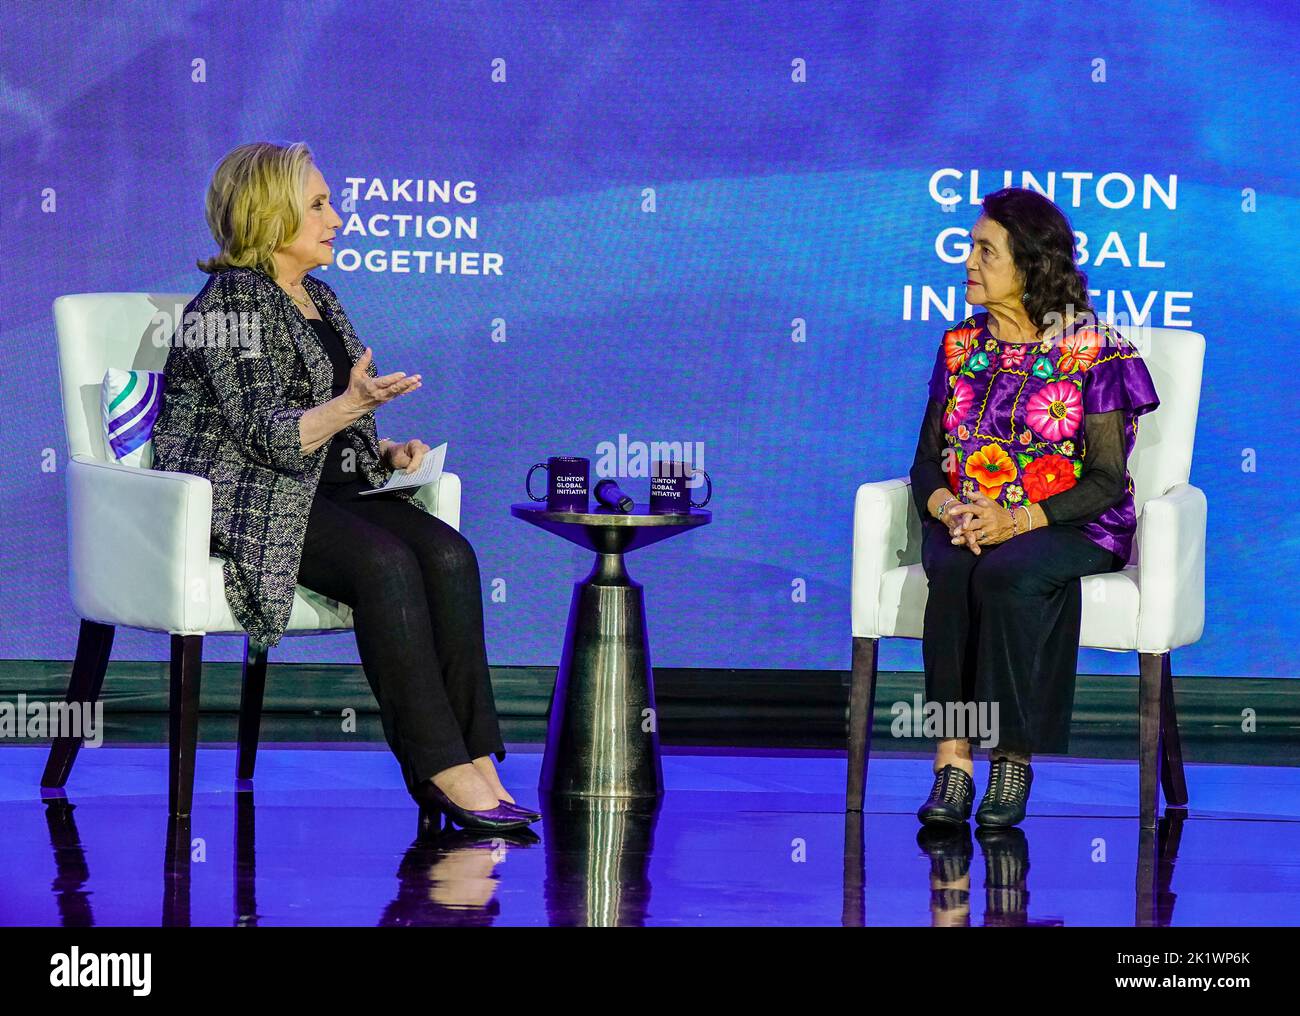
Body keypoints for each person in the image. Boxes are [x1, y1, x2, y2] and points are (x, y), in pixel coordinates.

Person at [151, 141, 536, 831]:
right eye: (319, 205)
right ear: (269, 217)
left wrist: (384, 450)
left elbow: (335, 416)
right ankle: (438, 767)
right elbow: (266, 434)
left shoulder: (320, 296)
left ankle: (479, 756)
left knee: (451, 555)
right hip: (255, 497)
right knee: (384, 565)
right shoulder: (224, 306)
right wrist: (353, 407)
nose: (338, 217)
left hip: (329, 486)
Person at [910, 186, 1160, 828]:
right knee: (956, 570)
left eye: (984, 250)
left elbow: (1106, 480)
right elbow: (925, 463)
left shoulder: (1093, 350)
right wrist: (948, 507)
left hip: (1071, 521)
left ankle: (1012, 756)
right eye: (970, 246)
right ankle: (954, 759)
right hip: (967, 519)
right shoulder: (960, 346)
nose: (968, 261)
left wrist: (1017, 518)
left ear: (1028, 266)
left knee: (1007, 573)